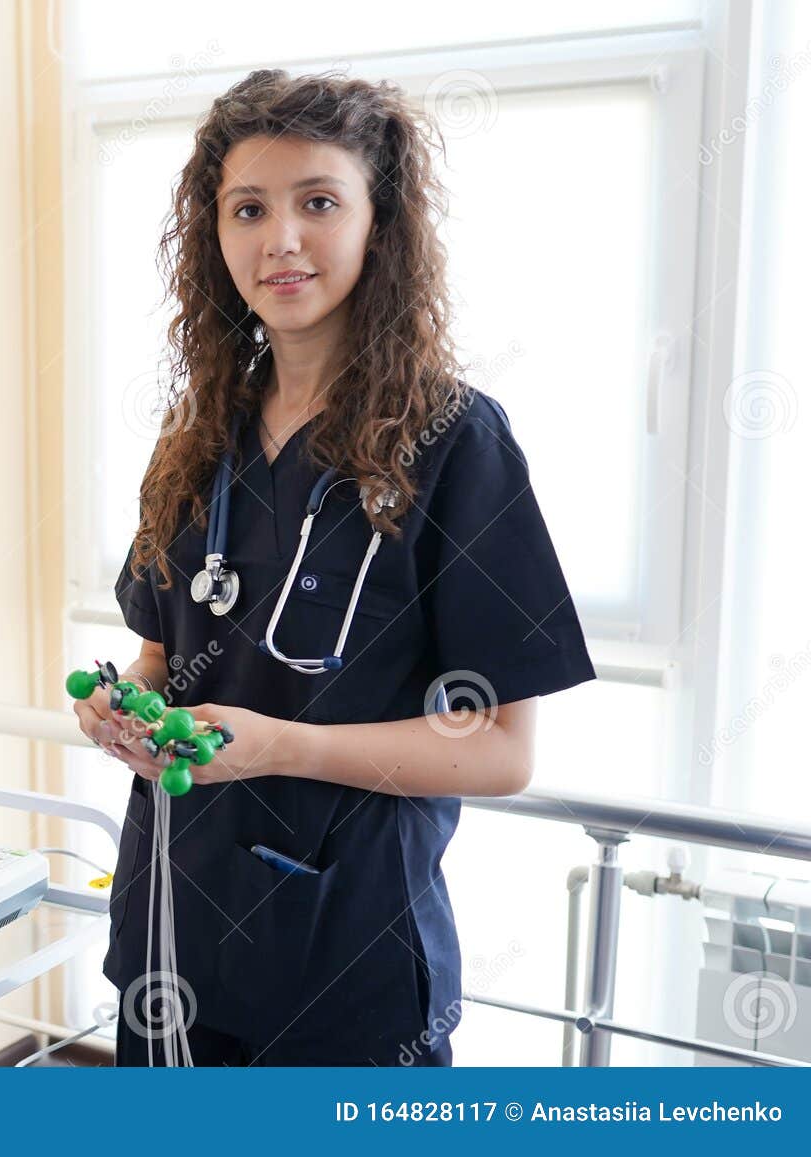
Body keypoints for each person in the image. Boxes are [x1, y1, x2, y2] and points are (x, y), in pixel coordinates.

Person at [72, 69, 595, 1067]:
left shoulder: (453, 441)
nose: (280, 239)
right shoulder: (195, 436)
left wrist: (282, 747)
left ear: (377, 223)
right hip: (168, 938)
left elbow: (499, 749)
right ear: (211, 233)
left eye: (318, 201)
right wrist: (119, 705)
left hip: (345, 967)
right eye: (247, 208)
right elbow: (158, 655)